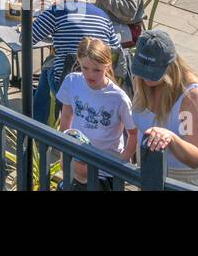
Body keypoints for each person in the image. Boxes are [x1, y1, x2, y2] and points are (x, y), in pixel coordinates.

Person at [130, 29, 198, 190]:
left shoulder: (192, 97)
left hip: (192, 181)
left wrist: (170, 137)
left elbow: (196, 157)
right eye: (142, 71)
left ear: (170, 65)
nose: (146, 77)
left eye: (153, 73)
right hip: (152, 172)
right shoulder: (140, 80)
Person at [30, 0, 123, 124]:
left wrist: (37, 11)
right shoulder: (102, 15)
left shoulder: (56, 12)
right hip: (101, 81)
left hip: (69, 84)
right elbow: (115, 50)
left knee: (47, 68)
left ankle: (38, 125)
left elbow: (27, 38)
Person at [56, 36, 137, 185]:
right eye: (85, 68)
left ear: (107, 66)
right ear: (78, 62)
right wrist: (64, 151)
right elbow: (66, 117)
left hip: (105, 169)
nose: (90, 74)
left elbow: (134, 132)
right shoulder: (72, 81)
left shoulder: (118, 98)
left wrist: (122, 161)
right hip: (77, 160)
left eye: (97, 70)